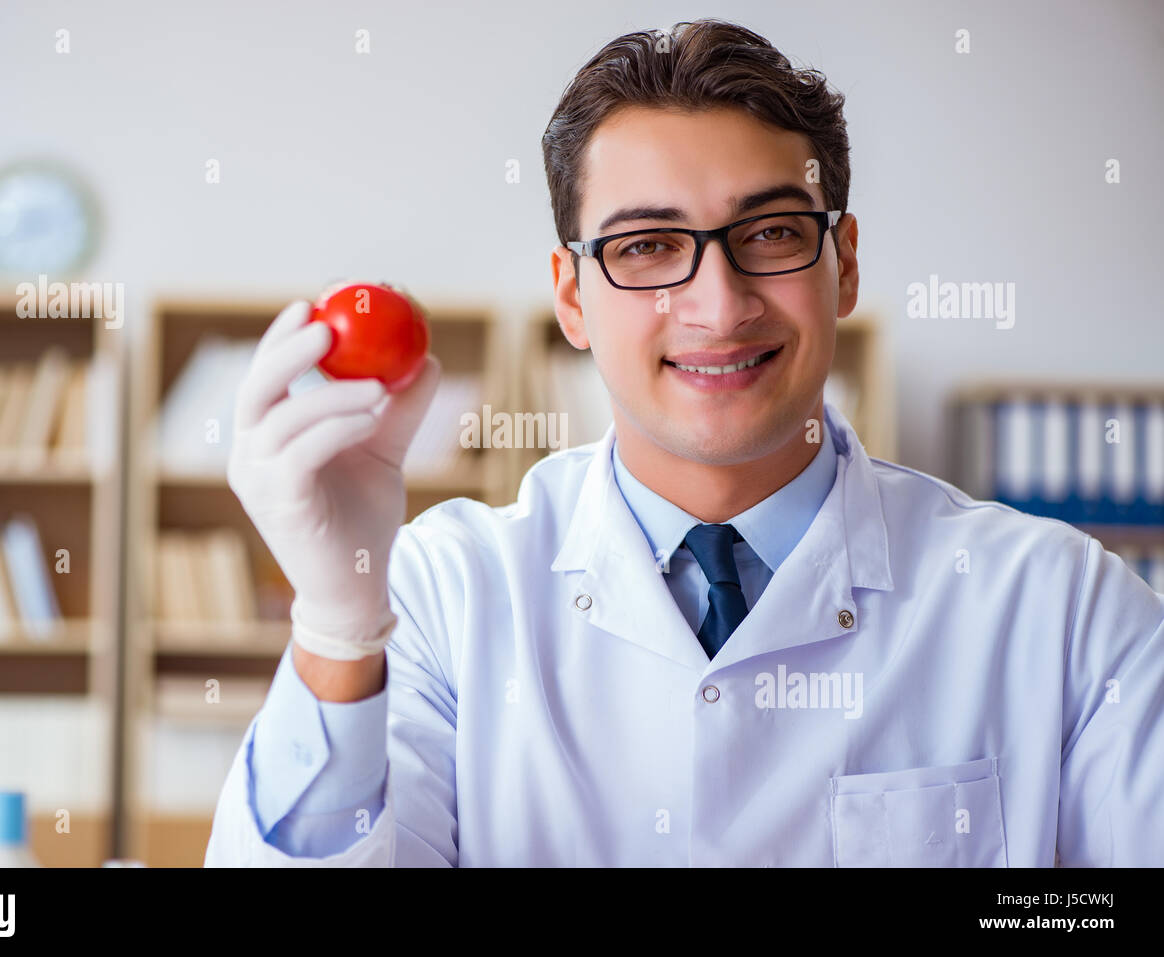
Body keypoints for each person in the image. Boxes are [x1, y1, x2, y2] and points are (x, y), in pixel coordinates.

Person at [205, 19, 1164, 866]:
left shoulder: (1066, 609)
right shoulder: (445, 599)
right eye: (647, 246)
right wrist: (335, 623)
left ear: (845, 264)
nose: (719, 304)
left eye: (774, 232)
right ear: (573, 297)